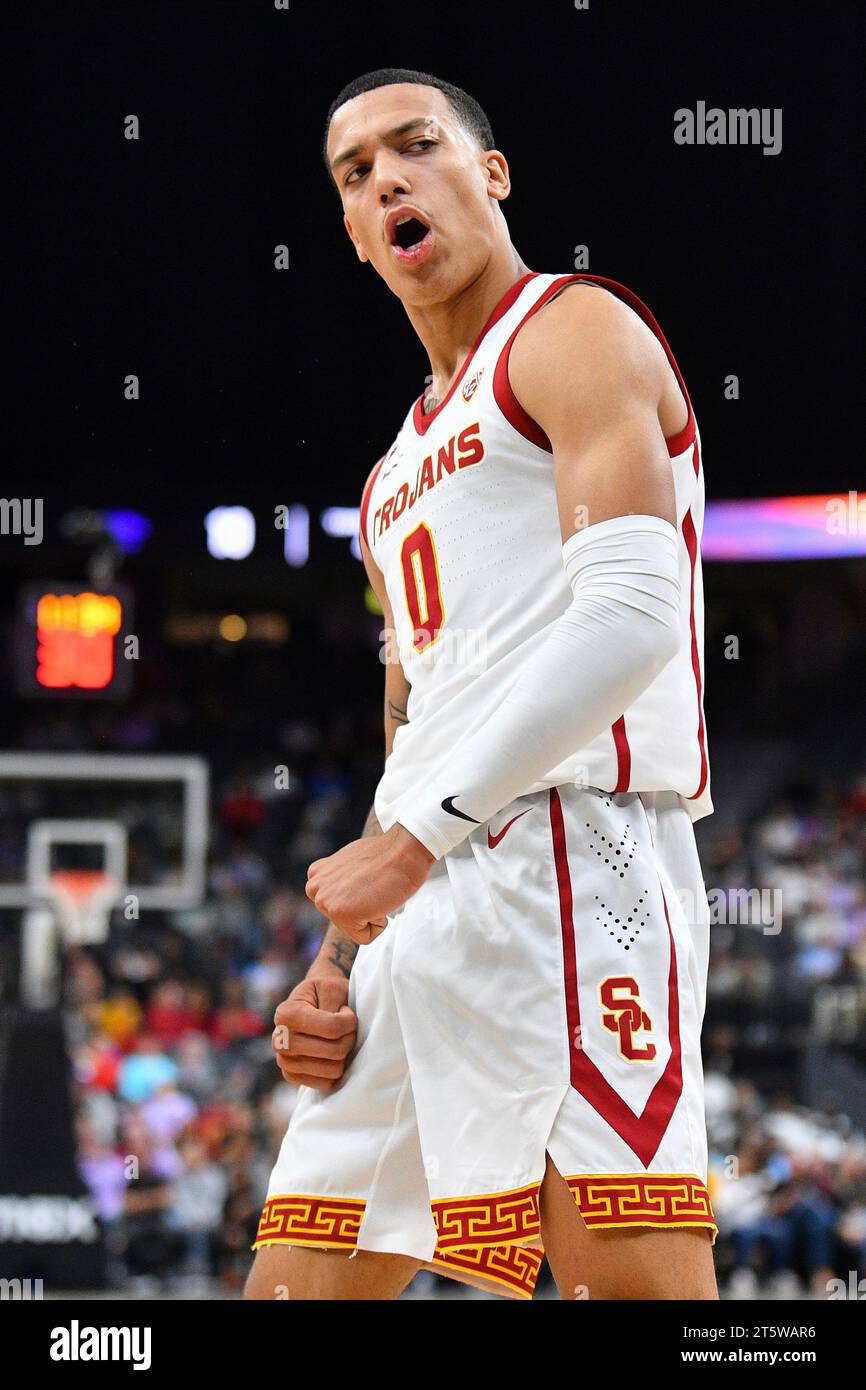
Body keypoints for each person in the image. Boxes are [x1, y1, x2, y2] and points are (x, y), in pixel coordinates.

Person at [246, 67, 715, 1301]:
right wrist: (339, 957)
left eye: (416, 146)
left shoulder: (572, 328)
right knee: (296, 1284)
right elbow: (414, 725)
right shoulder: (388, 472)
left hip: (572, 864)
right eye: (356, 173)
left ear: (488, 172)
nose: (387, 177)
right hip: (423, 896)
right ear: (351, 232)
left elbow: (629, 619)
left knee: (635, 1291)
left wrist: (405, 849)